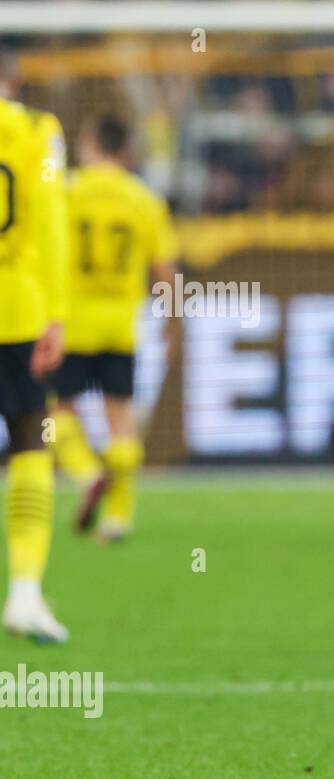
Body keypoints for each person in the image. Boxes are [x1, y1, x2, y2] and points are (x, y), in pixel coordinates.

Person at [50, 115, 179, 542]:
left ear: (89, 144)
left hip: (71, 322)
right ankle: (117, 519)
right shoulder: (145, 199)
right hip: (121, 325)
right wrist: (173, 319)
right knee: (120, 419)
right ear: (125, 151)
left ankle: (87, 475)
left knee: (58, 413)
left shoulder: (66, 191)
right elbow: (165, 271)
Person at [0, 66, 70, 644]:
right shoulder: (35, 131)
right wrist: (56, 311)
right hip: (18, 310)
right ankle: (23, 591)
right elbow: (50, 218)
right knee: (30, 448)